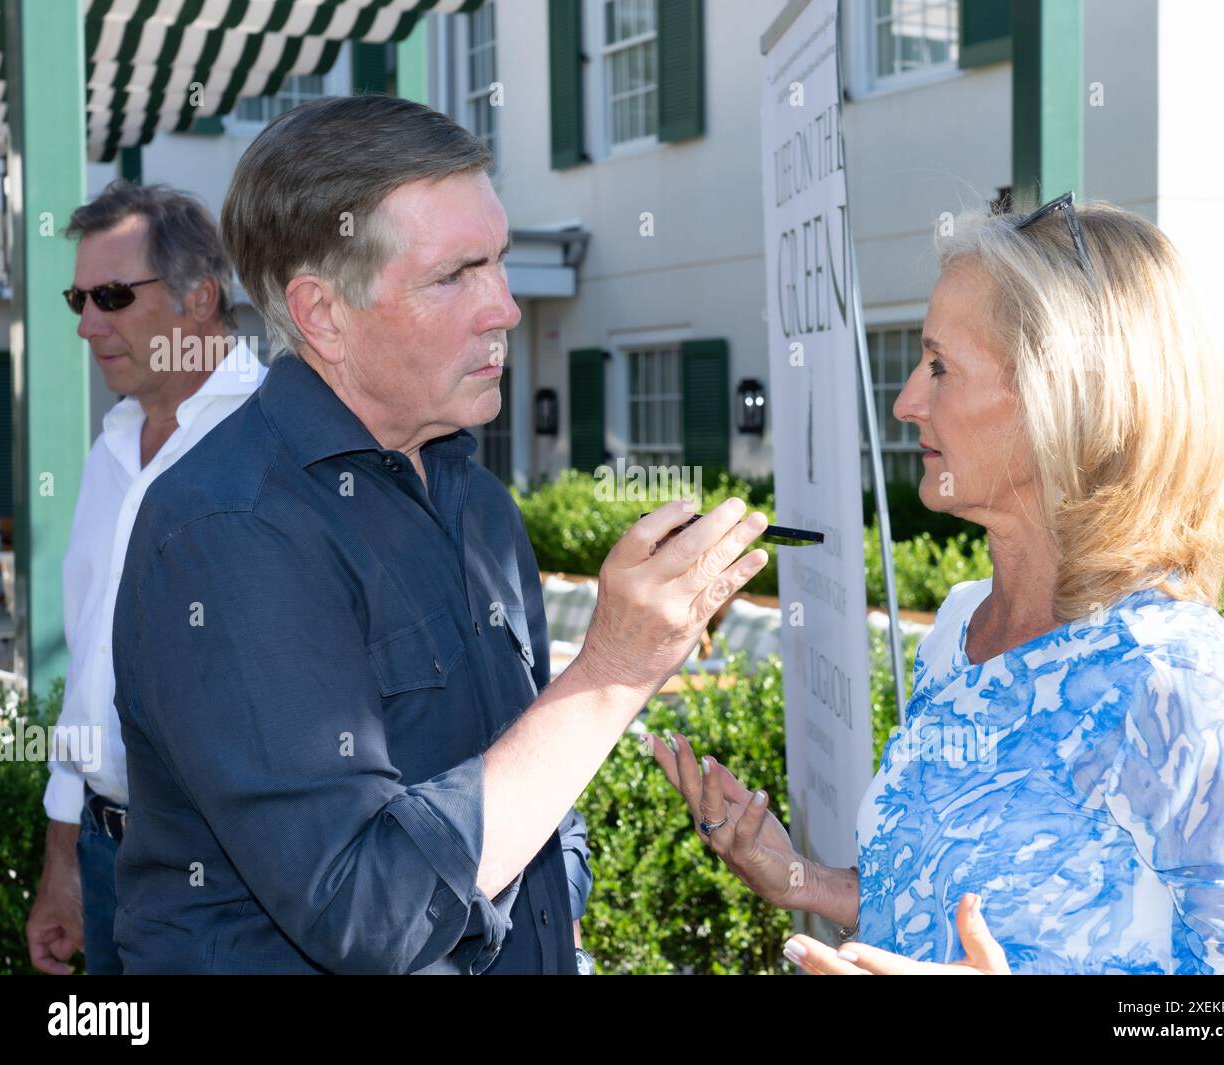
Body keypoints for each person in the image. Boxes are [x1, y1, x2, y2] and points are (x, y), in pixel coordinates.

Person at [109, 95, 770, 974]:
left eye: (498, 261)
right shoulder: (228, 531)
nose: (504, 308)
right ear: (321, 314)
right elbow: (367, 910)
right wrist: (614, 671)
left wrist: (554, 905)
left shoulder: (476, 498)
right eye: (454, 275)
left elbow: (528, 771)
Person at [651, 196, 1224, 974]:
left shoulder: (1176, 681)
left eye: (940, 367)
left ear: (1062, 401)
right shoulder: (961, 630)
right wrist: (801, 878)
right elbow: (951, 905)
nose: (905, 403)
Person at [25, 180, 266, 975]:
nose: (88, 323)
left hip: (232, 881)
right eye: (78, 297)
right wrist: (64, 861)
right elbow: (89, 676)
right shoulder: (108, 452)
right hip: (105, 854)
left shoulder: (275, 441)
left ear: (201, 299)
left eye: (113, 295)